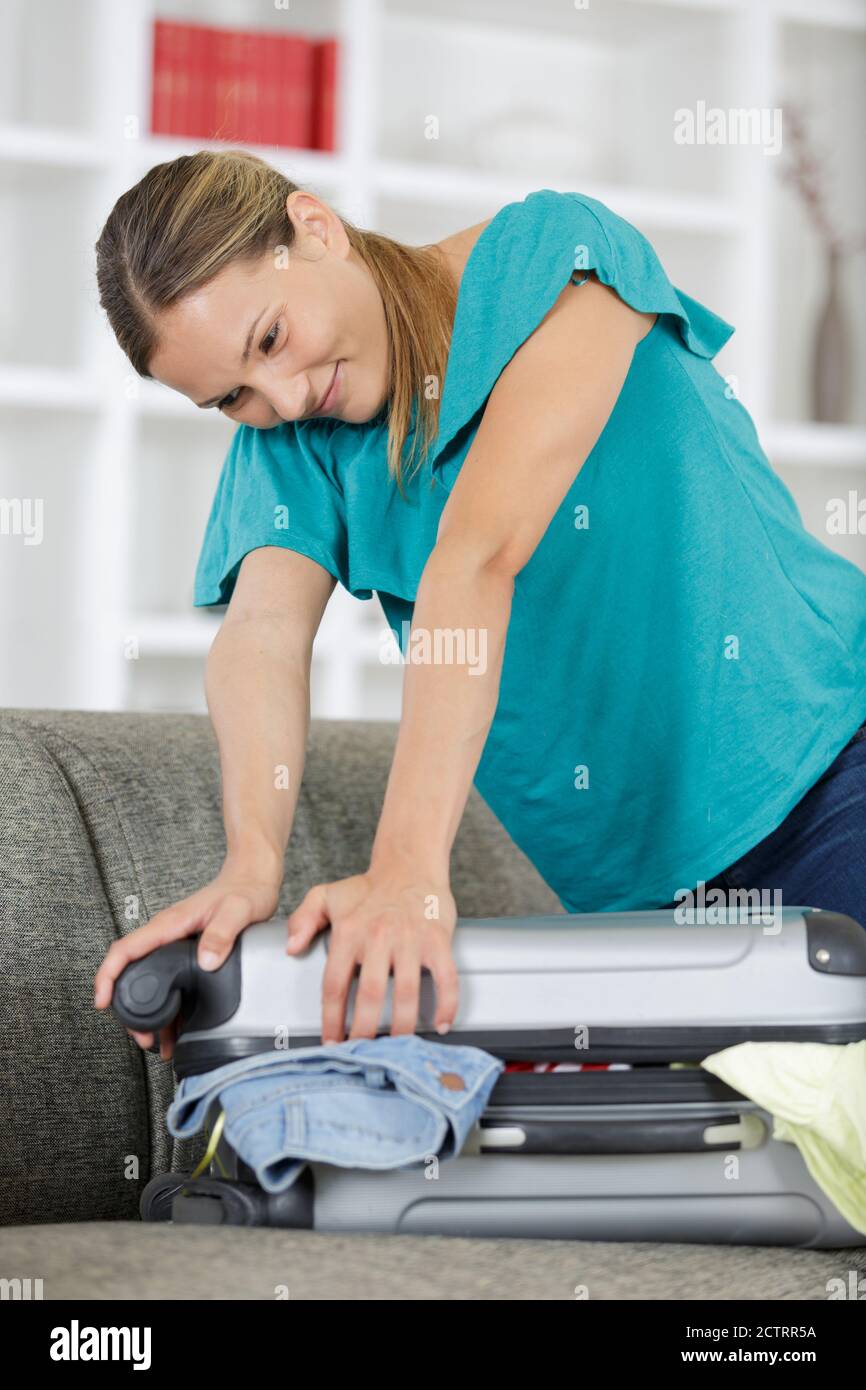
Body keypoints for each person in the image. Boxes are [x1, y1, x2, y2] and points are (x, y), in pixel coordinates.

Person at [92, 149, 866, 1058]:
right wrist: (249, 864)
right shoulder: (293, 438)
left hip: (833, 768)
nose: (286, 397)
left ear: (314, 227)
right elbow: (262, 632)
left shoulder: (555, 257)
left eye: (269, 339)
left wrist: (408, 871)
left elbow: (478, 556)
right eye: (231, 398)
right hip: (637, 902)